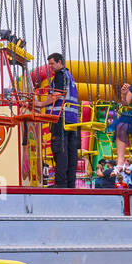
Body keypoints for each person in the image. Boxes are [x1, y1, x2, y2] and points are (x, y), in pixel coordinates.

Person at [42, 53, 80, 188]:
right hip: (72, 119)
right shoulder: (70, 76)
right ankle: (70, 184)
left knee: (60, 149)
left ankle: (61, 183)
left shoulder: (60, 75)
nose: (50, 67)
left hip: (60, 117)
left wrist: (40, 105)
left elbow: (56, 95)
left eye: (52, 63)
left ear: (59, 62)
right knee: (71, 152)